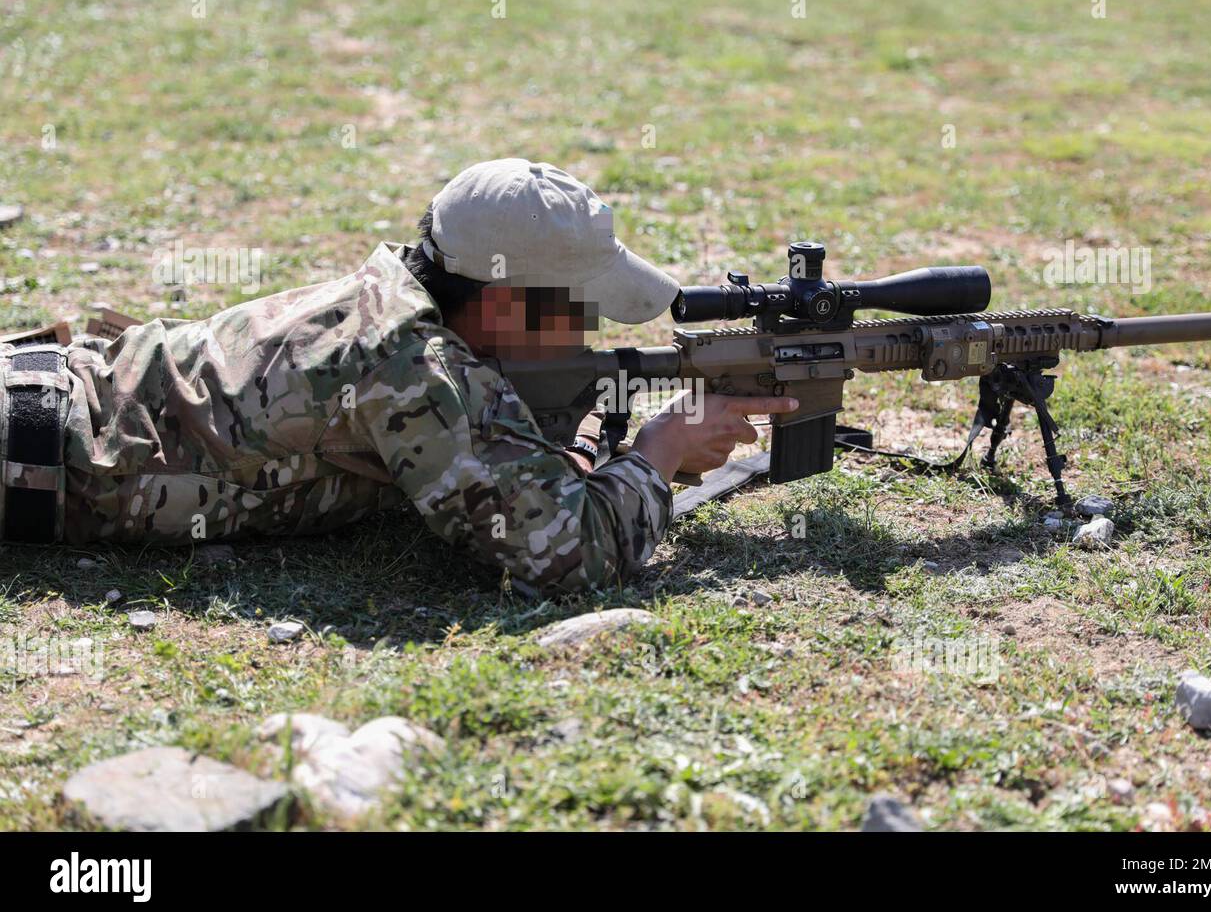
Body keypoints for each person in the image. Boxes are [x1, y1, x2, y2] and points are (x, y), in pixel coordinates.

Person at [0, 159, 796, 591]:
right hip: (26, 453)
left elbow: (506, 453)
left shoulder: (398, 295)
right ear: (502, 303)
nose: (587, 332)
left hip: (45, 391)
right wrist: (660, 451)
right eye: (577, 310)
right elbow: (566, 555)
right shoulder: (416, 369)